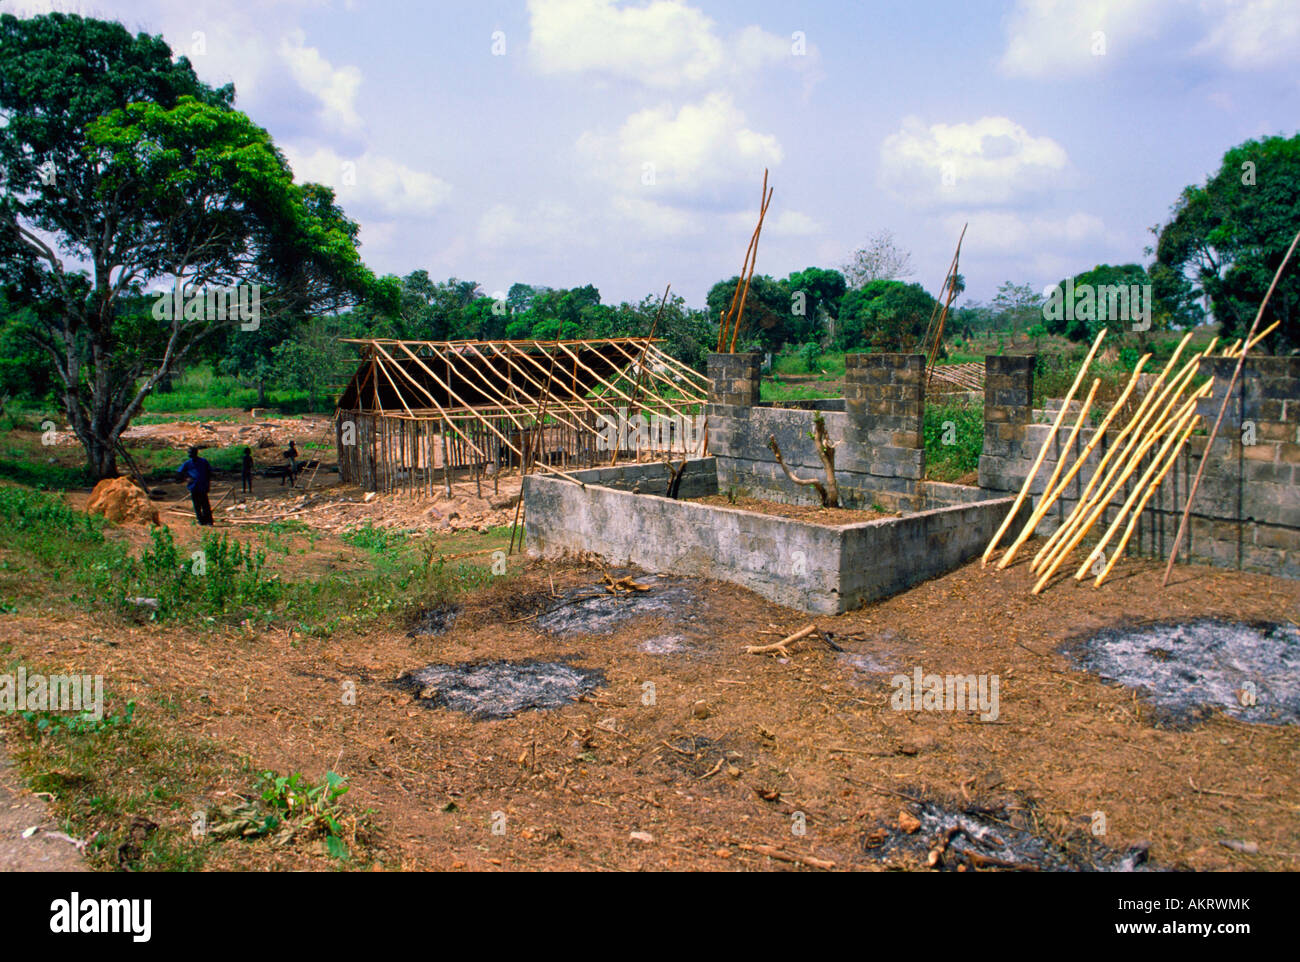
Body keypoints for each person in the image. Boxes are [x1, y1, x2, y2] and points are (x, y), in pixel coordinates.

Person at [177, 446, 214, 525]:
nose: (189, 454)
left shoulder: (203, 461)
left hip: (203, 486)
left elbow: (209, 472)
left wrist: (208, 484)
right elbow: (179, 472)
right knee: (197, 505)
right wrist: (186, 478)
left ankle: (209, 521)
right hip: (193, 487)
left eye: (191, 453)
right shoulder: (188, 463)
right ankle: (201, 521)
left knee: (205, 505)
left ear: (196, 453)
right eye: (189, 453)